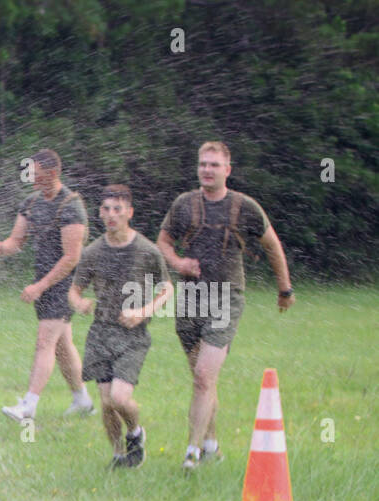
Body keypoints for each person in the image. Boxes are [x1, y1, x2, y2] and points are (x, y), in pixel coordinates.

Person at [157, 141, 296, 470]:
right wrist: (178, 263)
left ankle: (191, 452)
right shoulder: (183, 204)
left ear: (227, 170)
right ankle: (211, 444)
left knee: (205, 376)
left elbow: (273, 246)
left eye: (214, 165)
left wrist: (284, 288)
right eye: (203, 164)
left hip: (225, 297)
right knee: (201, 379)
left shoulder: (245, 206)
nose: (207, 169)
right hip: (190, 297)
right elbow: (163, 241)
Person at [68, 185, 173, 467]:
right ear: (100, 213)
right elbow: (74, 291)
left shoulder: (147, 251)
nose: (111, 215)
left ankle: (135, 432)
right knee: (105, 403)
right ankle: (118, 455)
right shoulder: (92, 252)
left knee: (118, 398)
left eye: (118, 209)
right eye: (106, 209)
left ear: (129, 212)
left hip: (132, 336)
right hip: (100, 334)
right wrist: (80, 304)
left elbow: (166, 290)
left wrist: (143, 311)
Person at [0, 148, 95, 422]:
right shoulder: (32, 202)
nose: (31, 178)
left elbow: (72, 257)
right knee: (62, 346)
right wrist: (2, 247)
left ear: (53, 173)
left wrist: (40, 286)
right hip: (45, 281)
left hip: (66, 283)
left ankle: (29, 405)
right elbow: (17, 241)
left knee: (44, 342)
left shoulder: (71, 205)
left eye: (36, 174)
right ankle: (82, 399)